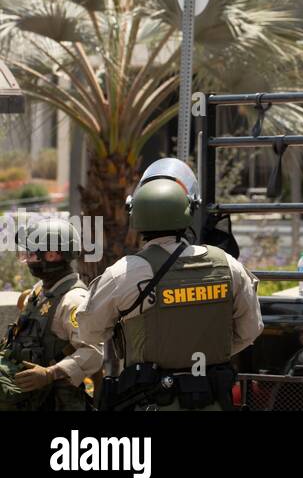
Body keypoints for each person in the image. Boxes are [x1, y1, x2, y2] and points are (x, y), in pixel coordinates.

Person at [77, 158, 263, 410]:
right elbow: (250, 330)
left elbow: (89, 331)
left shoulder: (123, 273)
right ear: (187, 212)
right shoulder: (228, 265)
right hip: (214, 401)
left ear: (136, 216)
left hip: (151, 402)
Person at [0, 217, 102, 411]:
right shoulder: (40, 291)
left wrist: (49, 373)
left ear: (53, 255)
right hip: (26, 399)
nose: (27, 259)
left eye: (31, 254)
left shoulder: (74, 300)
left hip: (55, 402)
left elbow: (93, 353)